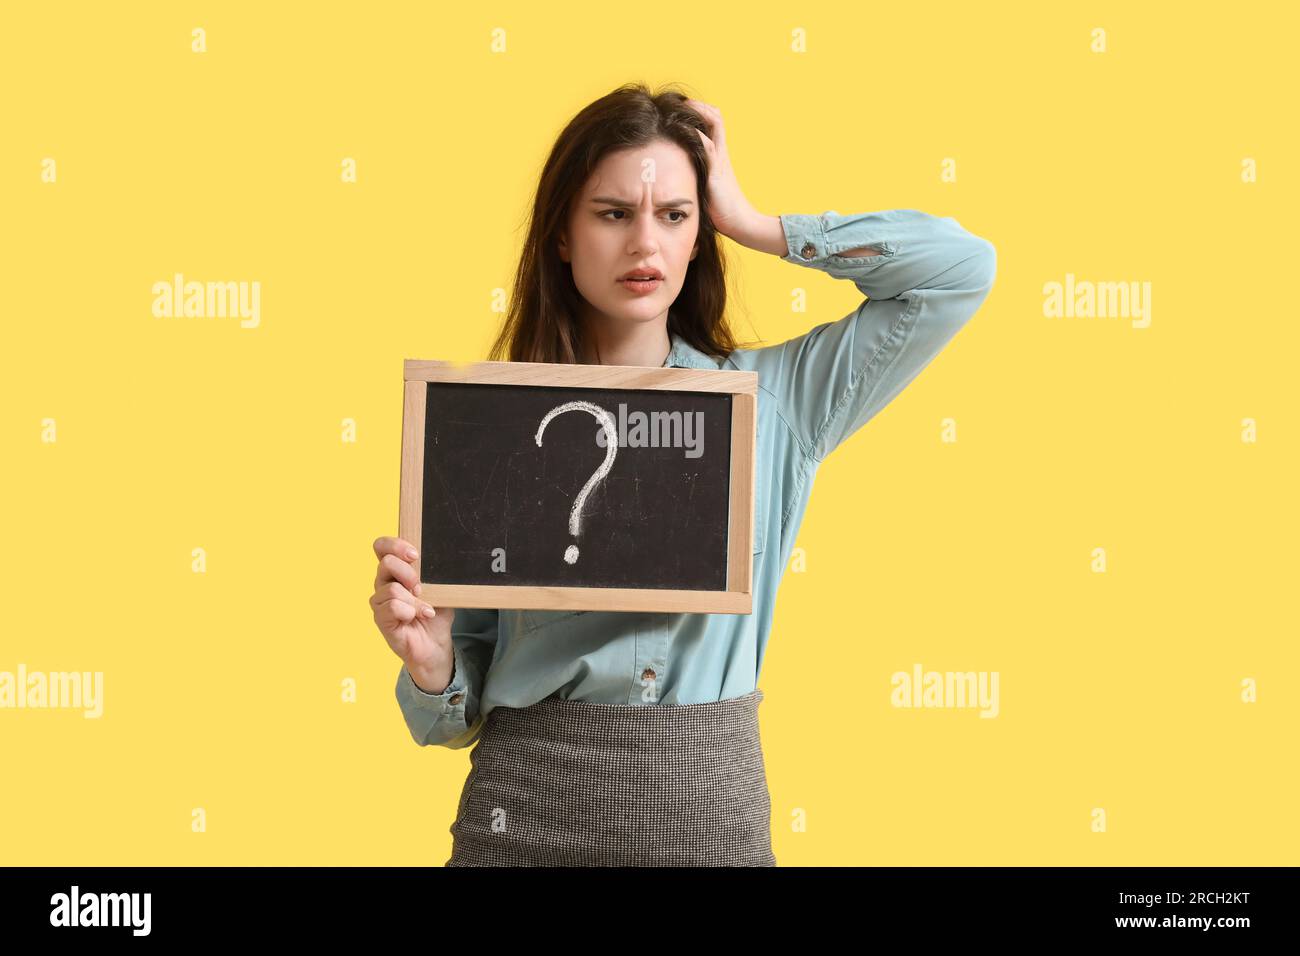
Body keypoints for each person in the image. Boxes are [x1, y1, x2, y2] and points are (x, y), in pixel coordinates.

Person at [370, 83, 997, 866]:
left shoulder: (775, 406)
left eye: (674, 214)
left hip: (711, 817)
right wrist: (433, 669)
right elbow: (450, 718)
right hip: (521, 817)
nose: (645, 245)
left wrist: (755, 221)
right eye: (612, 213)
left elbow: (960, 271)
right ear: (561, 235)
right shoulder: (496, 423)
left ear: (700, 234)